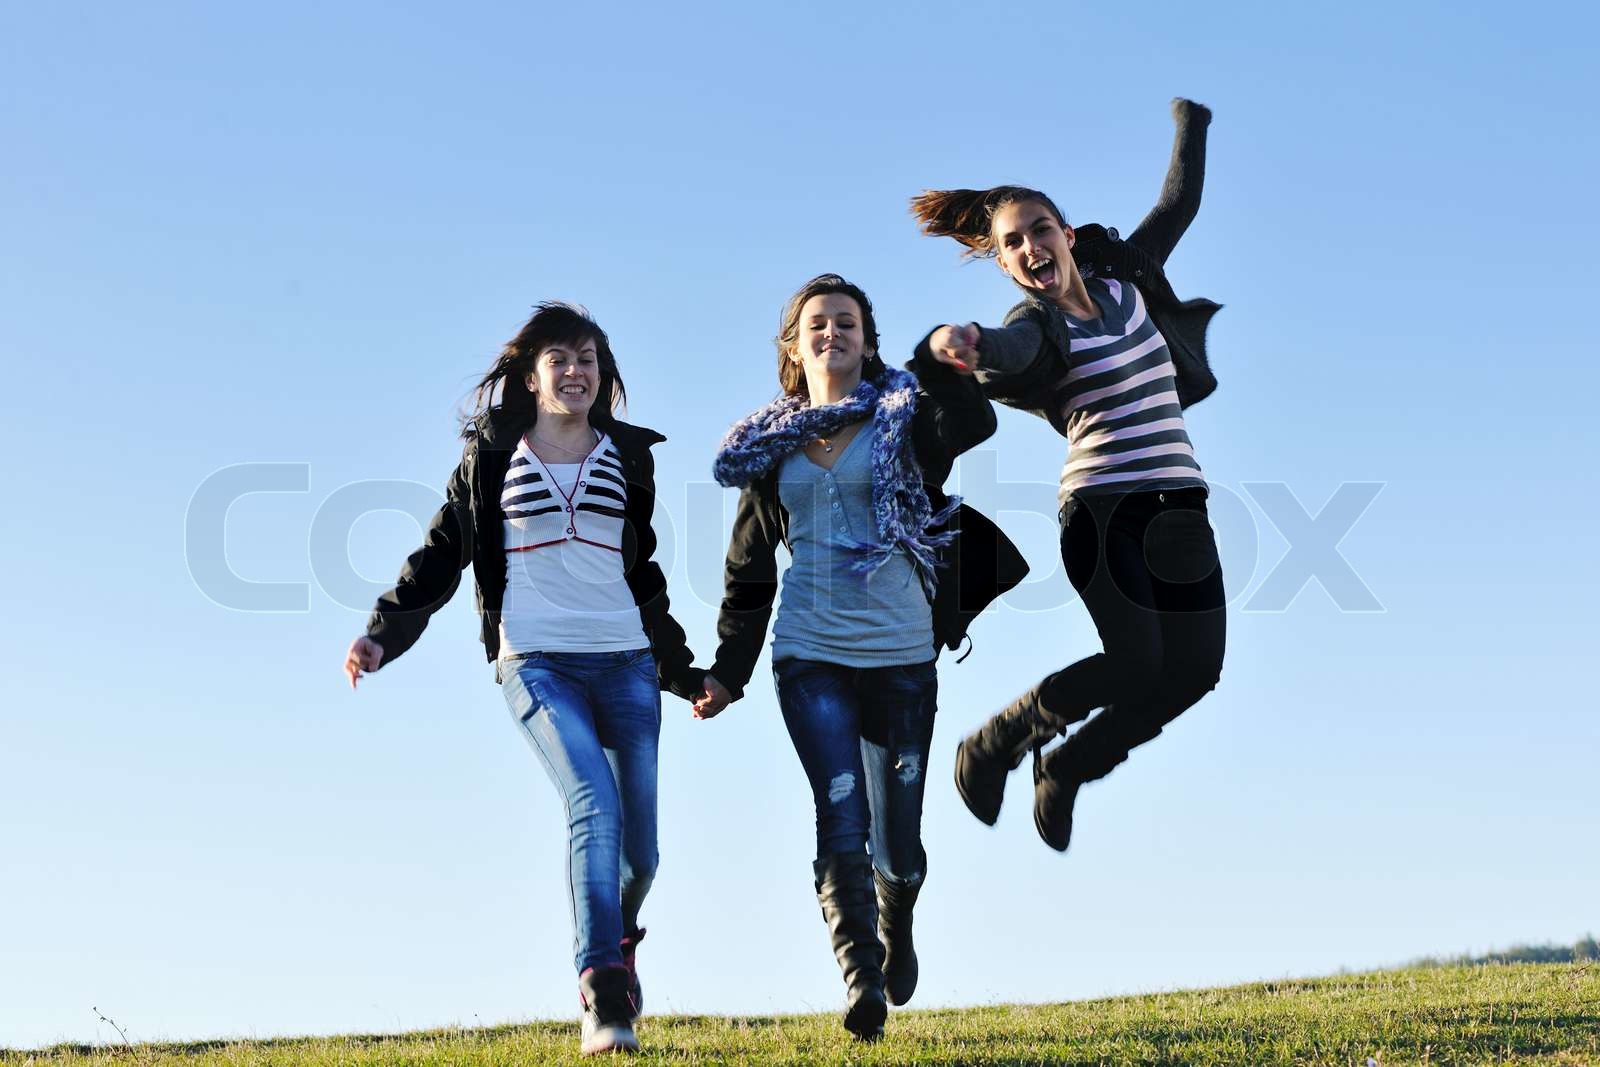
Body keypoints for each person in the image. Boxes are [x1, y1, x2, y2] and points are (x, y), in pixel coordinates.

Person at [341, 302, 702, 1056]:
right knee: (591, 803)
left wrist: (681, 669)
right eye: (559, 359)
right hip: (535, 660)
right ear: (532, 376)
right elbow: (442, 552)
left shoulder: (627, 456)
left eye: (587, 360)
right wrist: (383, 632)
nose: (575, 372)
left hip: (626, 661)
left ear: (602, 375)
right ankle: (602, 987)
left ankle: (620, 939)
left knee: (642, 855)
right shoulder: (494, 457)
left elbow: (643, 574)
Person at [694, 274, 1026, 1040]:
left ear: (867, 341)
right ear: (794, 345)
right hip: (808, 651)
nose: (831, 332)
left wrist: (942, 360)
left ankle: (895, 916)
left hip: (901, 652)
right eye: (817, 322)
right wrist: (727, 671)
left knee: (897, 842)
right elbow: (749, 572)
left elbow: (974, 421)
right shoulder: (771, 450)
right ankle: (861, 975)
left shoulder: (903, 419)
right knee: (839, 807)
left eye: (846, 322)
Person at [909, 98, 1227, 855]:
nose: (1030, 248)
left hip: (1182, 508)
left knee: (1193, 672)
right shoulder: (1038, 325)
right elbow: (1013, 351)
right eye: (1012, 244)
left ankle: (1070, 766)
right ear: (1006, 263)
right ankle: (997, 741)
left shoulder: (1128, 284)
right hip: (1102, 513)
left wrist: (1191, 121)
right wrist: (971, 341)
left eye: (1039, 230)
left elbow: (1176, 204)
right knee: (1135, 662)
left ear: (1068, 235)